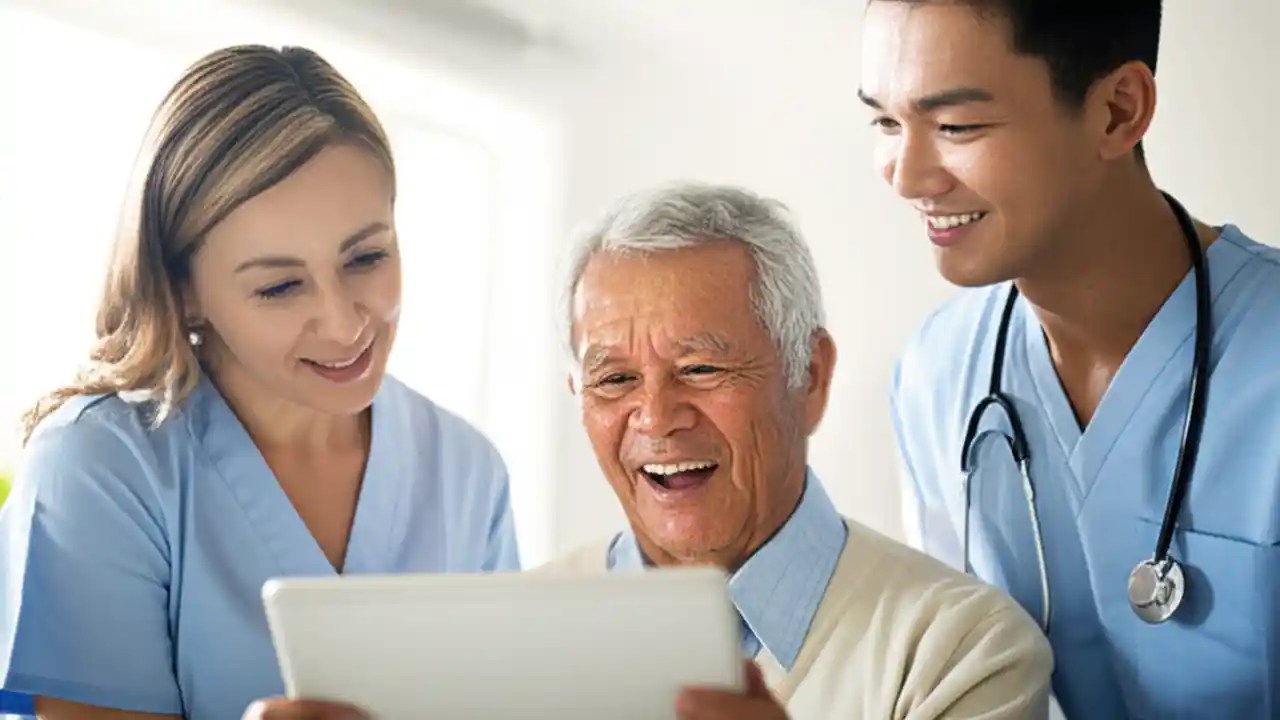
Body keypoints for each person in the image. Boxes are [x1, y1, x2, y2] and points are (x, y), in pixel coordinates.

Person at [0, 45, 520, 719]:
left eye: (367, 256)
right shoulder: (101, 466)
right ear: (184, 292)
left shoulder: (467, 471)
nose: (343, 323)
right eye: (279, 287)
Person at [861, 1, 1280, 717]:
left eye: (956, 126)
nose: (906, 175)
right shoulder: (938, 373)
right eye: (886, 123)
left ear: (1118, 111)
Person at [546, 183, 1051, 719]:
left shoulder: (961, 652)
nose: (655, 417)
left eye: (701, 369)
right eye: (616, 379)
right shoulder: (513, 634)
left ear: (809, 376)